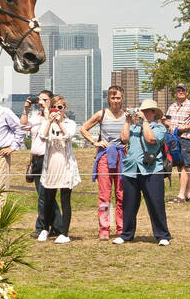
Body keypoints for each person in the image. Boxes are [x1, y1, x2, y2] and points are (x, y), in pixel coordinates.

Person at [114, 99, 170, 246]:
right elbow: (124, 139)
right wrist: (127, 121)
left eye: (147, 111)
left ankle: (162, 234)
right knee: (129, 204)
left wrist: (145, 122)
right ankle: (126, 234)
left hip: (152, 170)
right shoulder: (134, 127)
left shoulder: (159, 128)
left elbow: (151, 139)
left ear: (154, 113)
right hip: (131, 170)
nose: (144, 113)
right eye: (142, 111)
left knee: (155, 203)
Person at [81, 85, 128, 241]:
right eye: (113, 97)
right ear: (108, 99)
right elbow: (83, 129)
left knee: (121, 194)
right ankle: (104, 229)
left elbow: (129, 135)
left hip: (122, 155)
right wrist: (95, 142)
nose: (115, 100)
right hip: (104, 156)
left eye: (118, 97)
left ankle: (122, 228)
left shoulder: (127, 115)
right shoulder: (101, 114)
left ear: (122, 99)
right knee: (104, 195)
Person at [38, 94, 82, 243]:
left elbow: (69, 135)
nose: (57, 110)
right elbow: (42, 137)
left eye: (60, 107)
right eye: (54, 107)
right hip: (51, 164)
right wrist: (49, 122)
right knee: (48, 198)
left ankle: (65, 232)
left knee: (65, 199)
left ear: (65, 108)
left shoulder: (70, 123)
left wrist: (59, 123)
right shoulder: (46, 122)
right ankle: (45, 228)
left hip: (66, 164)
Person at [22, 89, 54, 239]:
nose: (41, 103)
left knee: (44, 195)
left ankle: (41, 227)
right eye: (39, 100)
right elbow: (22, 126)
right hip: (35, 160)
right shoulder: (35, 117)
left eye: (45, 100)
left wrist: (47, 110)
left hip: (47, 159)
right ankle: (57, 225)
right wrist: (26, 109)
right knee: (44, 196)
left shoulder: (53, 115)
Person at [164, 83, 190, 203]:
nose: (180, 92)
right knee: (180, 165)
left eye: (183, 90)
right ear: (175, 93)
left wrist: (184, 128)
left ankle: (181, 195)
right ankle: (188, 194)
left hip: (185, 139)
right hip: (173, 139)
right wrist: (168, 124)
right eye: (178, 90)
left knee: (185, 166)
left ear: (187, 92)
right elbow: (166, 121)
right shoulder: (172, 106)